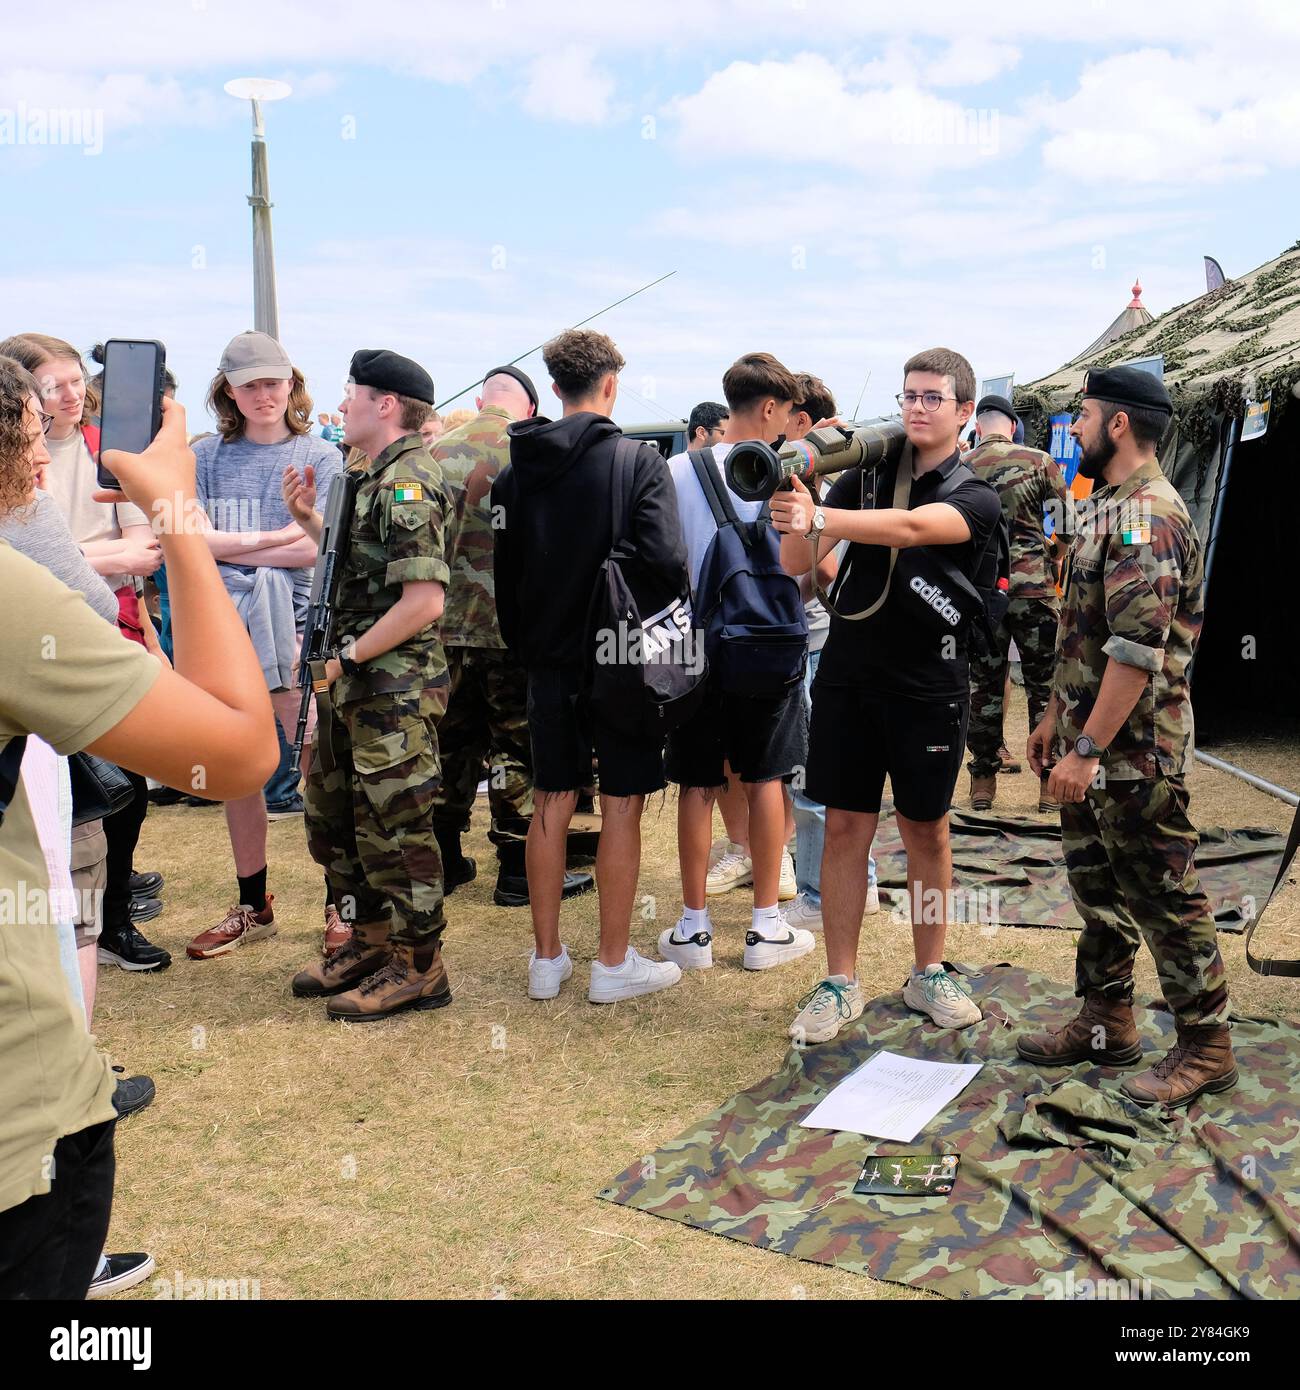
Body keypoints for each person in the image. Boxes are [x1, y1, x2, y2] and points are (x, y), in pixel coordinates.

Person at [0, 393, 278, 1299]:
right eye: (30, 438)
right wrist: (176, 514)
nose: (44, 459)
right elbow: (238, 752)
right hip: (19, 1130)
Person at [1017, 367, 1235, 1108]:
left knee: (1164, 895)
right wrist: (1055, 717)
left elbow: (1137, 653)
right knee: (1098, 886)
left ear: (1118, 424)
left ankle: (1206, 1047)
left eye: (1083, 415)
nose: (1073, 427)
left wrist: (1087, 751)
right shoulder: (1106, 505)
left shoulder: (1149, 516)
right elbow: (1082, 630)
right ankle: (1107, 1020)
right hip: (1092, 742)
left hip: (1135, 751)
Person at [773, 347, 1002, 1042]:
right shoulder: (866, 476)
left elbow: (911, 529)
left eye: (933, 397)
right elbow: (797, 564)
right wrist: (798, 500)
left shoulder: (975, 492)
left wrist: (822, 519)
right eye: (909, 395)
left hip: (930, 684)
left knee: (925, 828)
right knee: (846, 827)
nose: (917, 408)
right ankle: (840, 981)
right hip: (849, 674)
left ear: (965, 411)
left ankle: (927, 971)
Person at [495, 329, 686, 1003]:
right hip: (622, 658)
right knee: (622, 803)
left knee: (550, 799)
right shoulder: (638, 462)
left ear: (554, 388)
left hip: (547, 660)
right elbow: (667, 563)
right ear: (610, 385)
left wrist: (531, 646)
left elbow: (504, 577)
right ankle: (611, 963)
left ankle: (546, 959)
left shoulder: (514, 474)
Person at [284, 350, 455, 1021]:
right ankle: (370, 942)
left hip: (391, 689)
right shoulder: (370, 475)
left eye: (351, 393)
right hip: (355, 684)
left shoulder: (409, 483)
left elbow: (424, 600)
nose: (341, 404)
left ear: (384, 404)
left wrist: (347, 658)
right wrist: (308, 518)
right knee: (338, 821)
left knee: (397, 826)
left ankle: (420, 967)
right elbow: (364, 567)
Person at [0, 333, 169, 971]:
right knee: (65, 802)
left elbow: (142, 553)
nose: (72, 396)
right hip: (54, 640)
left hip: (114, 625)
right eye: (54, 388)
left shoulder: (107, 450)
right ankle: (80, 930)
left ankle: (112, 914)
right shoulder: (24, 478)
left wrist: (146, 632)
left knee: (120, 789)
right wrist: (102, 555)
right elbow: (51, 559)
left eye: (78, 380)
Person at [180, 331, 344, 961]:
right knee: (237, 767)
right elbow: (189, 540)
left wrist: (234, 546)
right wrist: (271, 538)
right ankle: (254, 903)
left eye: (273, 381)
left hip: (299, 626)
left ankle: (340, 904)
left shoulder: (320, 455)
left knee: (317, 765)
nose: (263, 394)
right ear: (228, 390)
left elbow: (315, 546)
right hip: (221, 629)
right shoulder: (205, 456)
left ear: (291, 383)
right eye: (249, 384)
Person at [658, 352, 815, 975]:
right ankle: (765, 926)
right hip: (769, 648)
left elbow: (662, 563)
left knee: (698, 784)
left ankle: (693, 927)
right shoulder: (789, 475)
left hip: (696, 648)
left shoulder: (678, 469)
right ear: (772, 408)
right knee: (766, 778)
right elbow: (803, 567)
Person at [429, 364, 592, 908]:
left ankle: (444, 860)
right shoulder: (534, 451)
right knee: (516, 749)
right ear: (530, 407)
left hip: (443, 629)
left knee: (449, 746)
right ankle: (518, 870)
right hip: (513, 631)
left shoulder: (434, 453)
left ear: (482, 401)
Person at [782, 372, 879, 933]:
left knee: (815, 780)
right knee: (824, 777)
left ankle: (822, 894)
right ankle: (850, 883)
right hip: (818, 643)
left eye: (786, 418)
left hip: (816, 643)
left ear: (803, 421)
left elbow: (824, 572)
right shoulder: (832, 480)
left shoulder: (824, 485)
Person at [963, 394, 1068, 813]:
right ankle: (1049, 785)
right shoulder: (1040, 461)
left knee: (983, 686)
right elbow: (1067, 525)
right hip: (1033, 590)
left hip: (983, 594)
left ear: (979, 426)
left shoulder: (962, 466)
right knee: (1045, 685)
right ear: (1012, 425)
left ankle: (982, 782)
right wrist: (1053, 554)